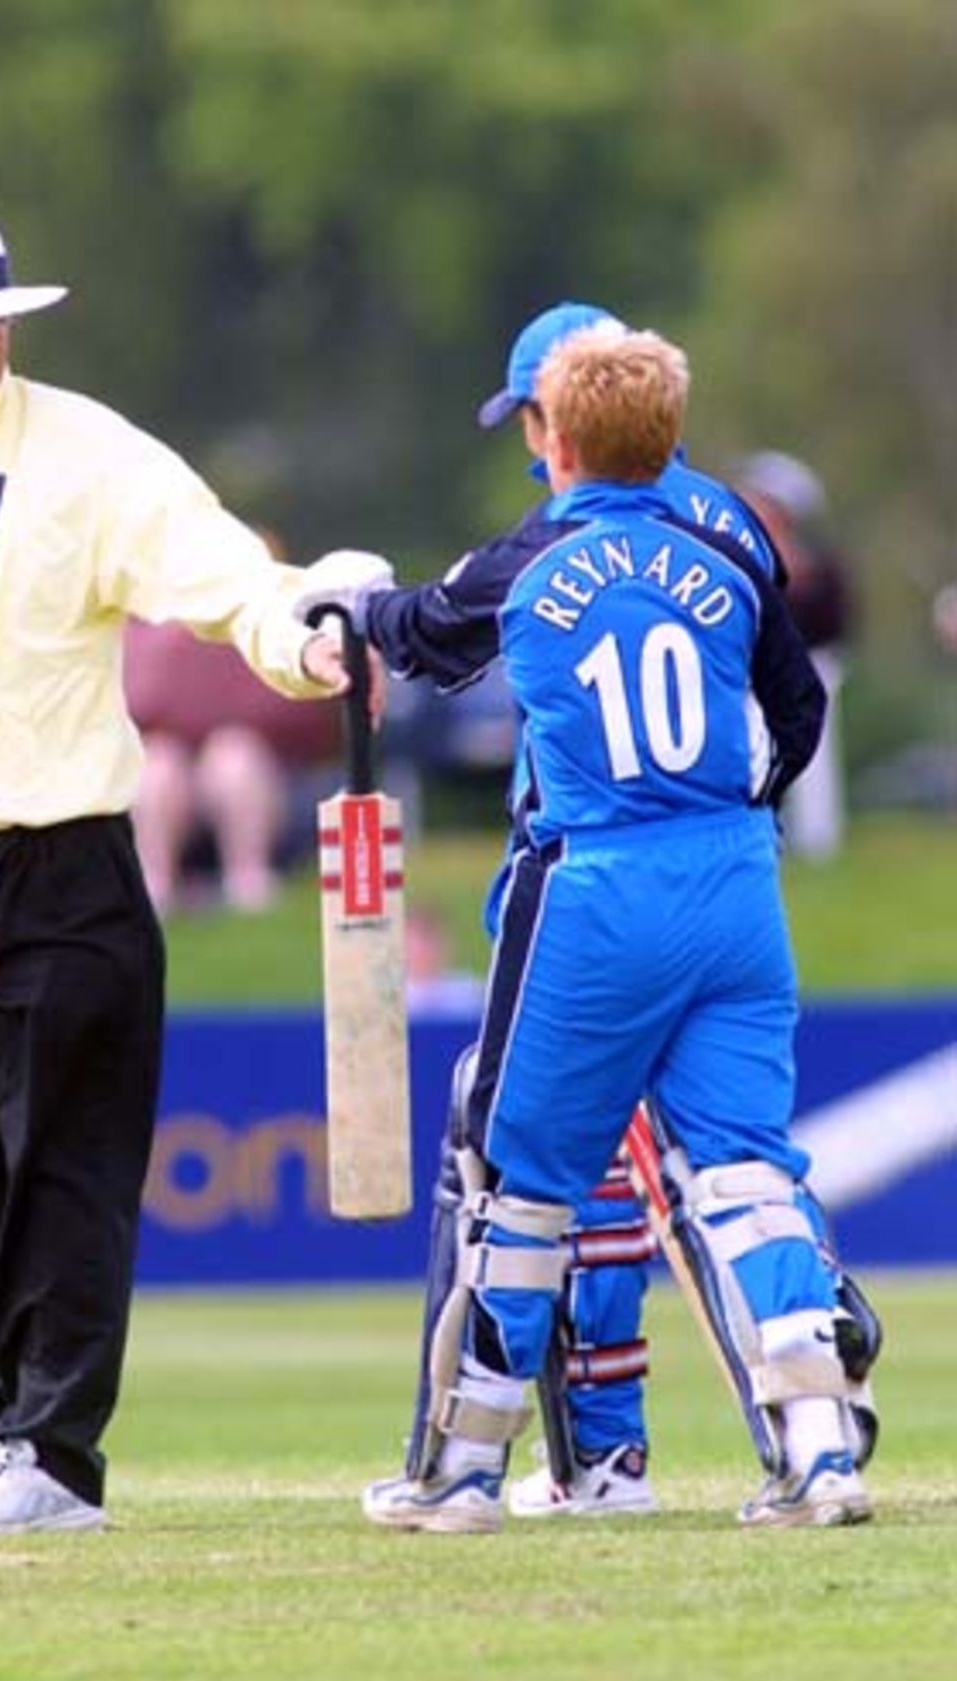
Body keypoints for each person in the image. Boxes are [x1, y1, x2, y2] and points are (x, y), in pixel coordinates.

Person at [0, 205, 391, 1536]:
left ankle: (47, 1455)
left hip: (67, 873)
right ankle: (13, 1439)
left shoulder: (86, 453)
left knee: (65, 1170)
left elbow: (218, 569)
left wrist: (300, 641)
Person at [302, 320, 877, 1532]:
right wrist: (735, 808)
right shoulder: (726, 542)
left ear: (553, 436)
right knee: (745, 1170)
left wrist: (351, 602)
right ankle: (819, 1449)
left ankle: (460, 1467)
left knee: (521, 1180)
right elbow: (798, 704)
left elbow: (417, 632)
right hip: (732, 881)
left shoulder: (534, 551)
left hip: (593, 890)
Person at [123, 602, 340, 913]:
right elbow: (131, 708)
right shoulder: (142, 634)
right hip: (169, 773)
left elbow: (303, 717)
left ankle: (248, 880)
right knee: (159, 763)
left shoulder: (268, 631)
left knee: (234, 755)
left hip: (267, 781)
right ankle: (156, 885)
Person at [734, 451, 856, 861]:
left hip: (812, 664)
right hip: (757, 668)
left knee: (814, 759)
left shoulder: (817, 564)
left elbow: (829, 622)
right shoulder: (742, 554)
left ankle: (818, 840)